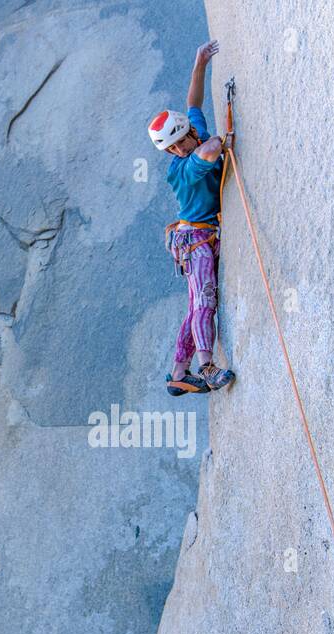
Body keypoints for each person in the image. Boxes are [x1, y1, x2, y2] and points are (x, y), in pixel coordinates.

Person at [149, 39, 236, 397]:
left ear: (188, 130)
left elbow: (193, 102)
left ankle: (178, 372)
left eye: (182, 140)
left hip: (196, 237)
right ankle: (206, 365)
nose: (180, 149)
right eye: (173, 147)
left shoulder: (193, 128)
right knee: (204, 300)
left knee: (193, 305)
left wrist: (199, 63)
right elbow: (213, 150)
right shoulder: (182, 170)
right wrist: (215, 139)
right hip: (197, 240)